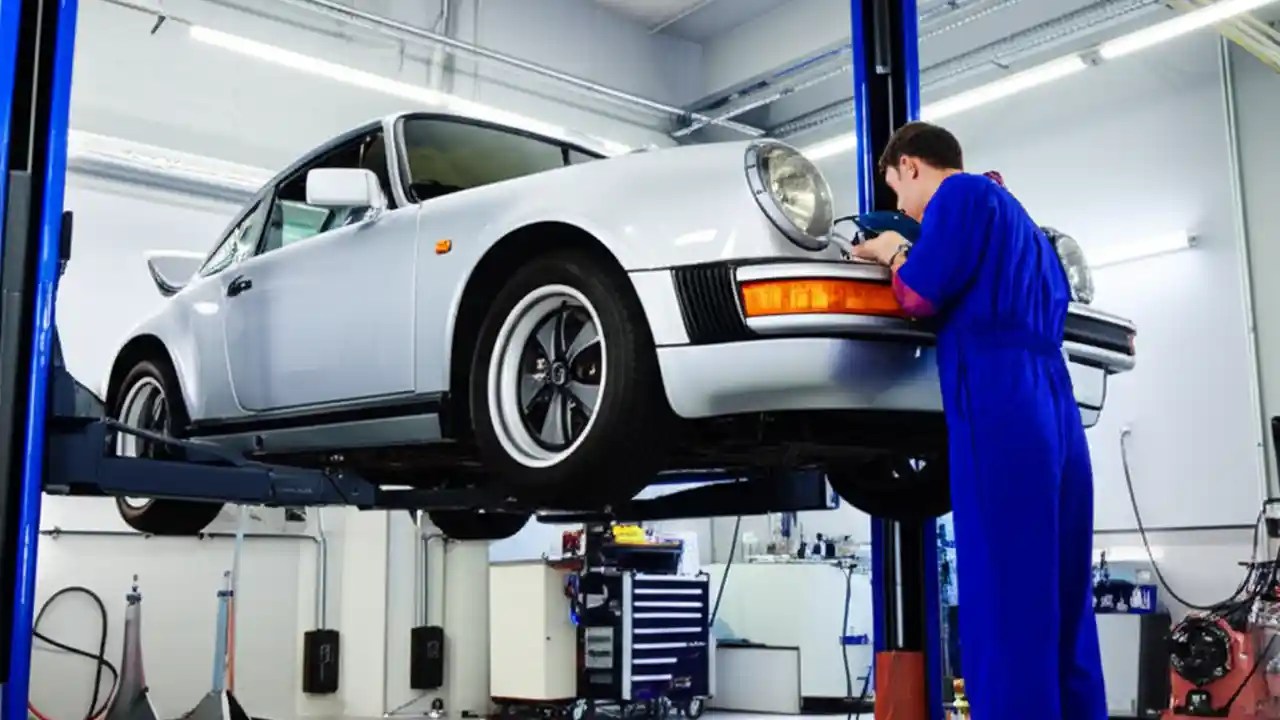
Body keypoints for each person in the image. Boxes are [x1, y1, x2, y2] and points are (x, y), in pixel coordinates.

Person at [851, 122, 1106, 720]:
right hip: (1052, 396)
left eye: (895, 190)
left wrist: (890, 249)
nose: (901, 207)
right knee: (1061, 589)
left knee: (1005, 587)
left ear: (910, 166)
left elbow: (918, 294)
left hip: (1000, 400)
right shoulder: (1019, 217)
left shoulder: (959, 197)